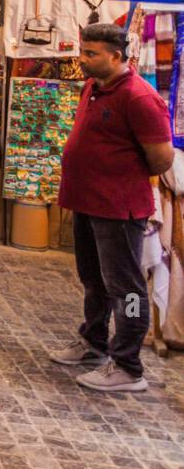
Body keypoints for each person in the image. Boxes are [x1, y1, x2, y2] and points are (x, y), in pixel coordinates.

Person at [50, 22, 173, 393]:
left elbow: (161, 158)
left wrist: (119, 177)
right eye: (83, 51)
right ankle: (94, 342)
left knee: (128, 289)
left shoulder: (138, 97)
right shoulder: (94, 87)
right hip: (87, 202)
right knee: (93, 280)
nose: (82, 59)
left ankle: (128, 363)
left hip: (118, 209)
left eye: (91, 54)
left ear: (117, 56)